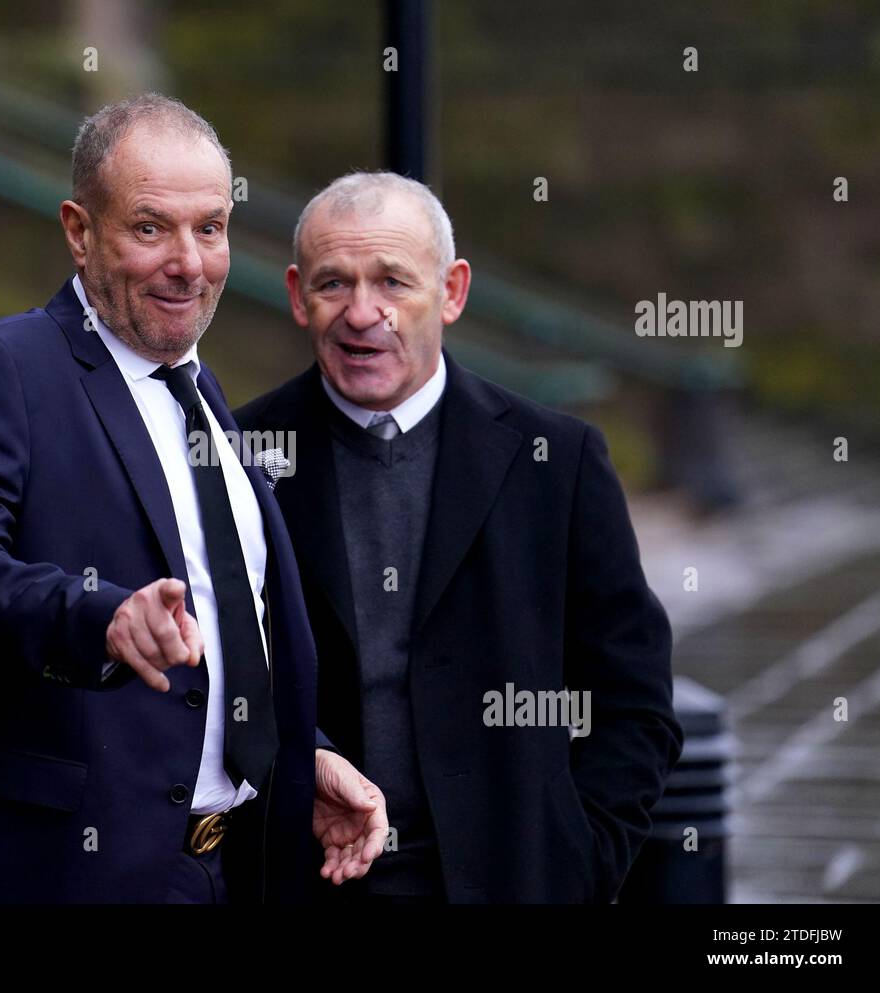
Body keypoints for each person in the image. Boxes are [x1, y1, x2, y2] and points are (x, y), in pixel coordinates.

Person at [0, 96, 386, 904]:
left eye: (212, 228)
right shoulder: (2, 367)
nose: (189, 262)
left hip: (228, 867)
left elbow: (232, 627)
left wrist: (300, 754)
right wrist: (102, 617)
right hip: (64, 876)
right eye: (151, 228)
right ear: (80, 232)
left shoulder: (204, 393)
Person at [235, 171, 683, 903]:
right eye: (333, 284)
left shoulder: (557, 459)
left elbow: (632, 696)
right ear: (295, 295)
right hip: (305, 881)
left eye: (392, 282)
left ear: (451, 290)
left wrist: (579, 857)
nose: (362, 313)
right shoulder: (240, 453)